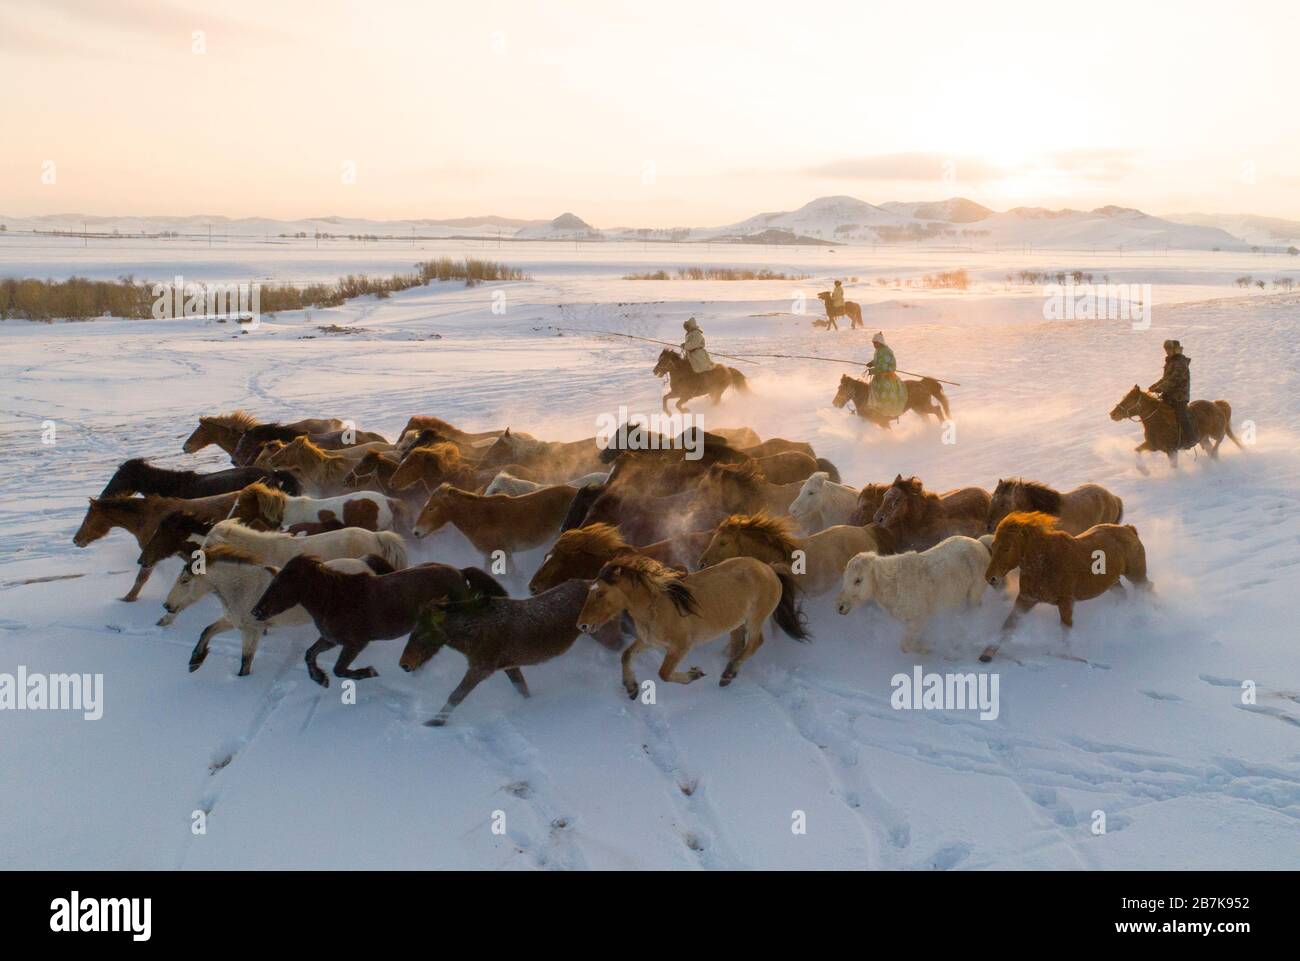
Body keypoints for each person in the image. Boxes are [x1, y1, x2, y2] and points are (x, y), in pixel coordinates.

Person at [1149, 339, 1195, 448]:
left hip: (1179, 396)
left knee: (1181, 415)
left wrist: (1161, 388)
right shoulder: (1170, 362)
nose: (1167, 351)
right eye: (1166, 349)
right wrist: (1155, 386)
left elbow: (1175, 379)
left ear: (1175, 349)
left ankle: (1191, 438)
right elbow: (1165, 379)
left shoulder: (1180, 363)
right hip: (1169, 395)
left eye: (1169, 349)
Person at [865, 331, 907, 419]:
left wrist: (871, 371)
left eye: (875, 343)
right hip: (879, 376)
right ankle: (876, 409)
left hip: (887, 377)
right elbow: (878, 361)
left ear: (880, 342)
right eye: (873, 343)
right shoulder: (879, 350)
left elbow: (882, 367)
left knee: (885, 392)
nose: (874, 345)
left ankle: (889, 413)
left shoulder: (886, 352)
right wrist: (872, 363)